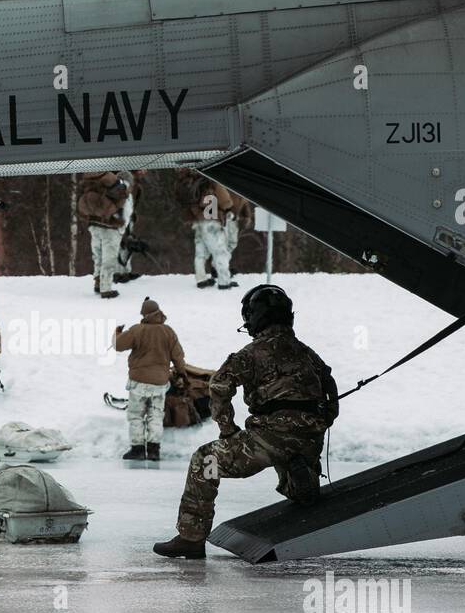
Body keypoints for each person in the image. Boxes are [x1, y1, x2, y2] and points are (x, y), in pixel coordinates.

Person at [155, 285, 339, 559]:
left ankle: (191, 537)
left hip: (268, 436)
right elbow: (330, 389)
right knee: (293, 466)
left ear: (255, 318)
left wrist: (227, 430)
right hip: (309, 436)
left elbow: (218, 385)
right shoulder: (307, 353)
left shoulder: (252, 353)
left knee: (205, 460)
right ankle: (301, 479)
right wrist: (320, 423)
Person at [113, 298, 187, 462]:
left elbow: (118, 345)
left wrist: (117, 332)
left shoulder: (137, 330)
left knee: (136, 415)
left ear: (145, 314)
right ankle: (154, 451)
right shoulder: (168, 331)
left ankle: (137, 449)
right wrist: (182, 374)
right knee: (155, 415)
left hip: (138, 382)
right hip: (159, 384)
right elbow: (178, 357)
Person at [177, 169, 236, 290]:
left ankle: (201, 279)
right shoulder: (212, 181)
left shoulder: (191, 182)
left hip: (198, 221)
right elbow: (226, 203)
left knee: (200, 253)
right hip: (212, 220)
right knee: (220, 252)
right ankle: (224, 282)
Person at [80, 171, 133, 299]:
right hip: (111, 228)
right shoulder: (124, 191)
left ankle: (98, 283)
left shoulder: (103, 188)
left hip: (95, 224)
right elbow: (127, 212)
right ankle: (106, 289)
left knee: (97, 256)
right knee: (109, 259)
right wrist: (122, 229)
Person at [114, 170, 147, 284]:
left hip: (126, 220)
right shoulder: (123, 188)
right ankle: (119, 272)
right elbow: (125, 207)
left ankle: (125, 271)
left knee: (127, 246)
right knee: (121, 246)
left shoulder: (132, 187)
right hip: (122, 221)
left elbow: (131, 206)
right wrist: (124, 223)